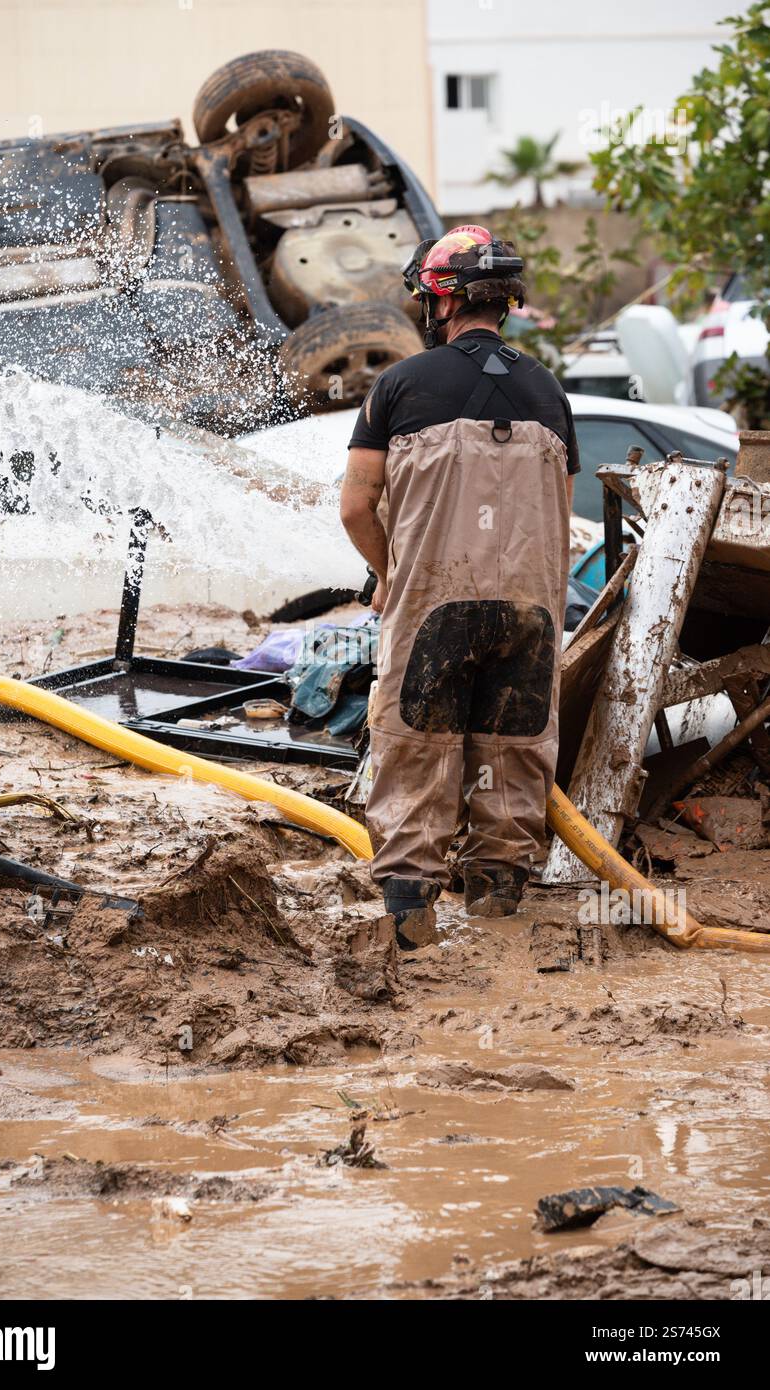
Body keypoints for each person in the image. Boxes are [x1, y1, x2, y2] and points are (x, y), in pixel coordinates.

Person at [340, 225, 579, 949]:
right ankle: (497, 943)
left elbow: (355, 506)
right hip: (531, 616)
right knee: (511, 772)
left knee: (415, 766)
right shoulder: (548, 391)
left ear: (439, 300)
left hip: (434, 610)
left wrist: (389, 576)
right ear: (504, 302)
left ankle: (412, 938)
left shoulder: (400, 386)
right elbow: (562, 511)